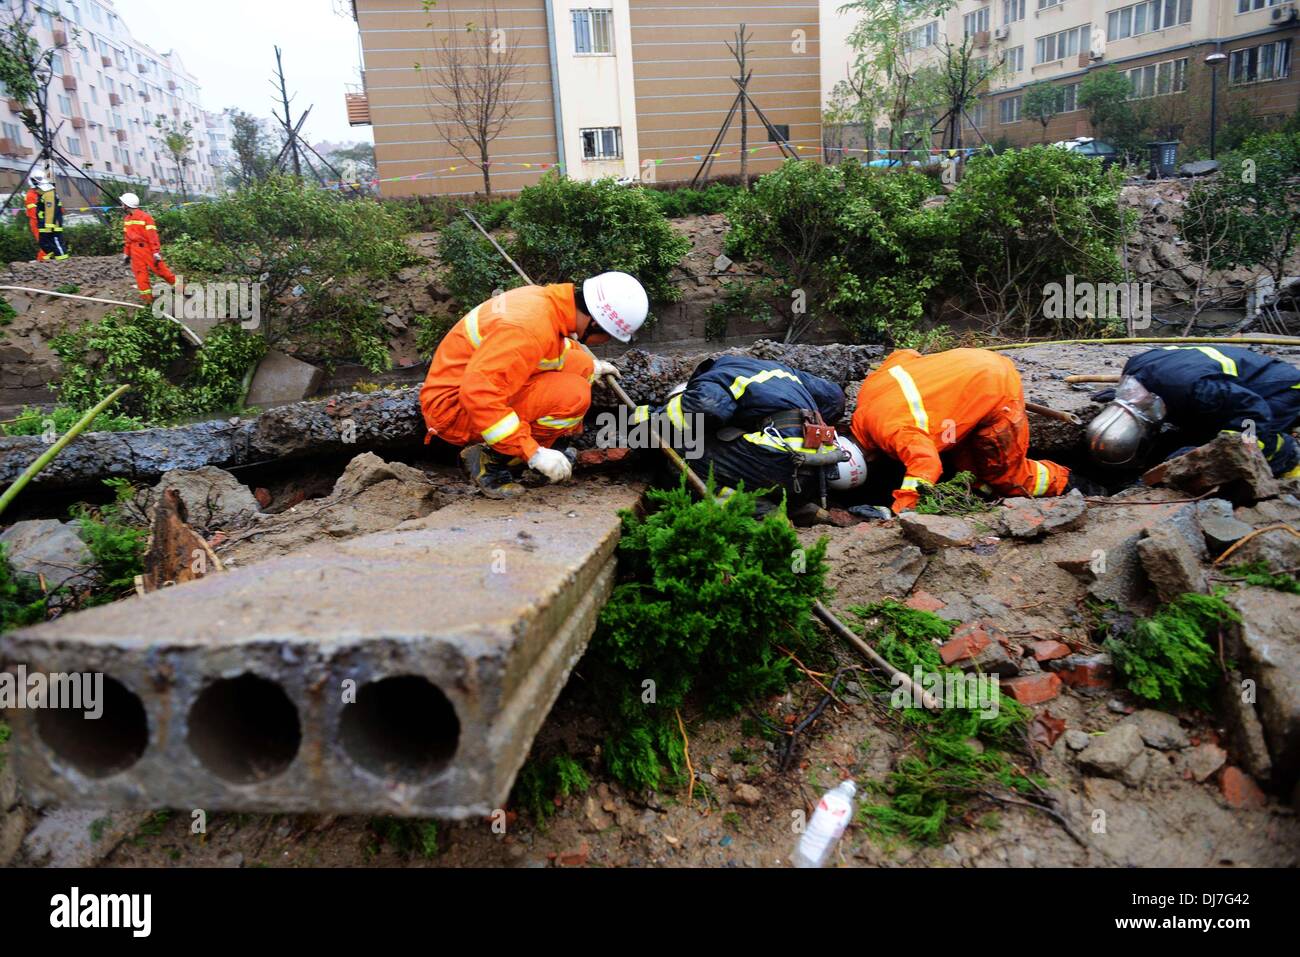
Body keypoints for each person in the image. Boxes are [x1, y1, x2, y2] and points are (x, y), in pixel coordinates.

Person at [420, 272, 648, 498]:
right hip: (453, 410)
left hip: (464, 384)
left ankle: (534, 449)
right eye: (608, 335)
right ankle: (492, 461)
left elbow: (546, 351)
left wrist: (591, 367)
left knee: (581, 366)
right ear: (595, 323)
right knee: (574, 394)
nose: (606, 342)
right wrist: (533, 452)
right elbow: (480, 394)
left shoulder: (546, 303)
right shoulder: (527, 329)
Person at [629, 355, 865, 521]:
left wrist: (645, 419)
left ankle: (759, 512)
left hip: (781, 462)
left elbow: (707, 408)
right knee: (743, 460)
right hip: (819, 471)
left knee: (686, 453)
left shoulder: (716, 376)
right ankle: (801, 509)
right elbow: (834, 397)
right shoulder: (779, 371)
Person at [849, 347, 1075, 514]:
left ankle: (1072, 484)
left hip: (996, 390)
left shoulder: (893, 431)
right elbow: (905, 354)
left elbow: (926, 465)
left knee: (1008, 476)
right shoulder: (868, 393)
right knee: (965, 464)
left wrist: (903, 511)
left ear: (867, 459)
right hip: (974, 363)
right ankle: (980, 492)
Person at [1087, 345, 1300, 478]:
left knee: (1251, 441)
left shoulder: (1197, 390)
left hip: (1280, 388)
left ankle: (1287, 456)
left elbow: (1252, 409)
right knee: (1200, 429)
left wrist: (1228, 448)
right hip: (1224, 387)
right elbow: (1147, 381)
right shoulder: (1133, 369)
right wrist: (1120, 393)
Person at [119, 193, 177, 303]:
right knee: (141, 277)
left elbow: (152, 236)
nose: (121, 205)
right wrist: (126, 253)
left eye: (123, 203)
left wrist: (156, 252)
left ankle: (183, 289)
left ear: (127, 205)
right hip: (134, 251)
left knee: (163, 272)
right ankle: (148, 302)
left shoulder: (146, 217)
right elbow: (127, 239)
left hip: (147, 250)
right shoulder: (127, 219)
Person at [30, 176, 69, 262]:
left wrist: (49, 227)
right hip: (44, 224)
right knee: (44, 242)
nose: (35, 190)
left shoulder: (49, 194)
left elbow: (50, 211)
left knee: (56, 242)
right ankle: (53, 257)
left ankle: (63, 261)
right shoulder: (43, 195)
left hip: (52, 225)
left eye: (36, 188)